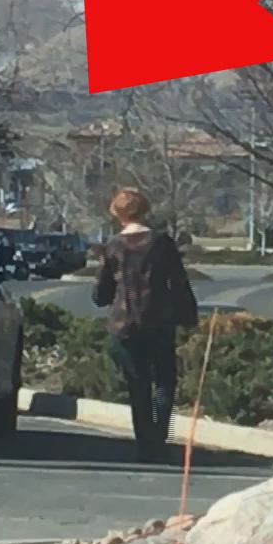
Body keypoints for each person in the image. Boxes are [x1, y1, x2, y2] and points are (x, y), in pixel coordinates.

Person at [93, 188, 198, 462]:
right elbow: (178, 283)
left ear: (118, 214)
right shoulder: (161, 242)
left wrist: (106, 294)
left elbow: (101, 293)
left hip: (124, 324)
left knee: (137, 384)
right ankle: (160, 439)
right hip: (159, 321)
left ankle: (144, 444)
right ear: (145, 210)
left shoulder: (114, 246)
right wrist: (188, 316)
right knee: (164, 380)